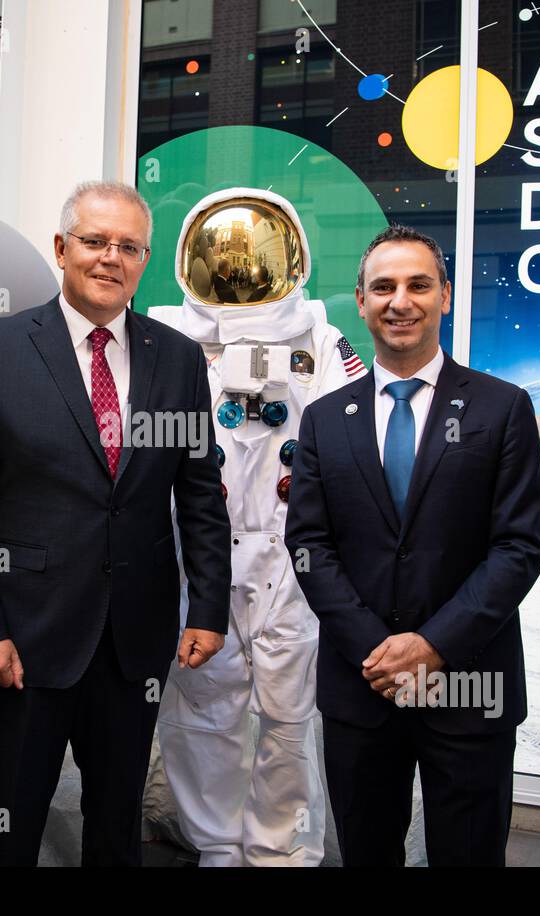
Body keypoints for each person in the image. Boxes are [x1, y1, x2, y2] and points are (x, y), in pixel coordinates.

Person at [0, 180, 232, 867]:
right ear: (61, 249)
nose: (111, 258)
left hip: (134, 640)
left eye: (128, 246)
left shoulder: (180, 359)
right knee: (9, 822)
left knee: (115, 823)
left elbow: (199, 494)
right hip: (23, 643)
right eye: (96, 241)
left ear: (145, 260)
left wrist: (210, 608)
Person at [284, 223, 540, 866]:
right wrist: (374, 647)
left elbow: (518, 547)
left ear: (445, 296)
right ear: (361, 300)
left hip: (467, 685)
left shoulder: (502, 408)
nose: (400, 300)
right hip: (362, 686)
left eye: (417, 284)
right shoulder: (324, 418)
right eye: (383, 287)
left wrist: (433, 645)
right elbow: (310, 544)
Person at [149, 188, 367, 866]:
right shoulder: (165, 339)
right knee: (201, 711)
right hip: (199, 558)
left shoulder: (322, 339)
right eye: (224, 256)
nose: (240, 270)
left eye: (254, 255)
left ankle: (285, 849)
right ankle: (212, 840)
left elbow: (351, 435)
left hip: (291, 560)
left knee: (291, 714)